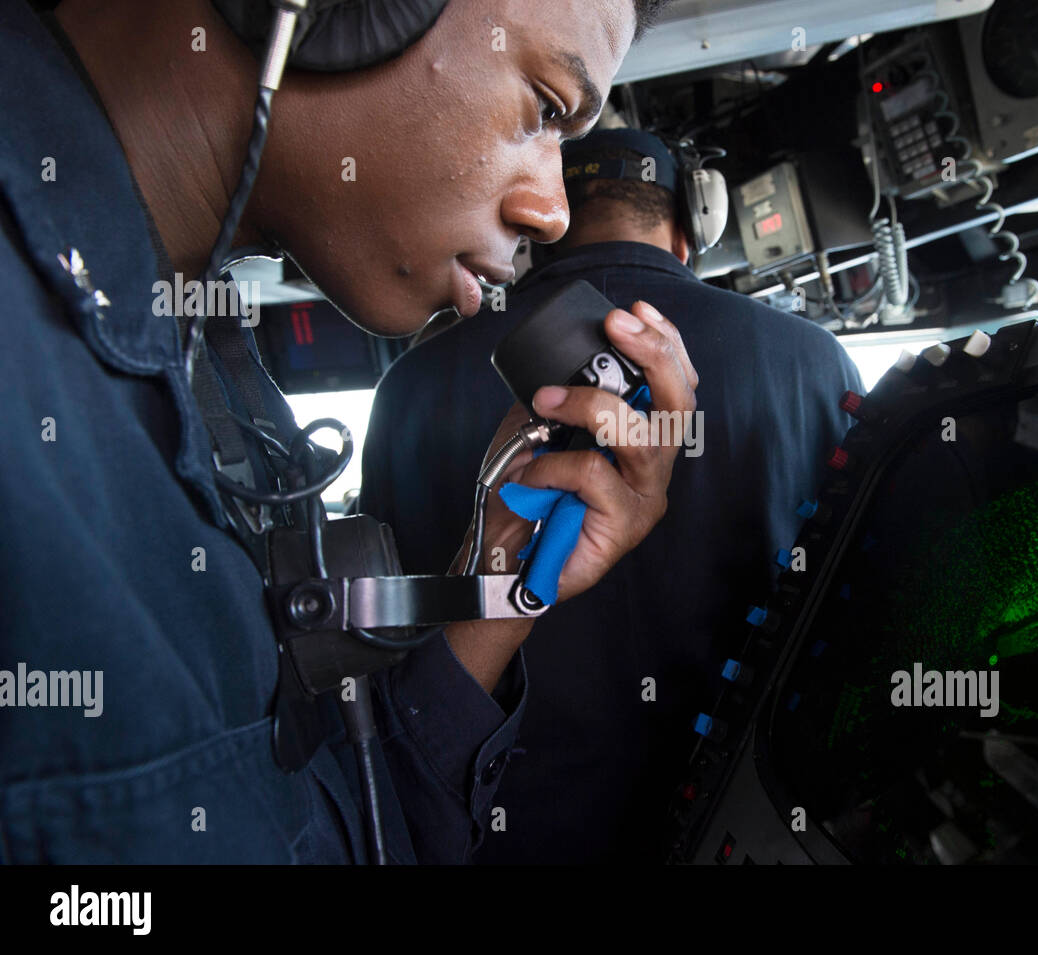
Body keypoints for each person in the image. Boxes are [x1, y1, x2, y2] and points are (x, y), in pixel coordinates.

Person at [0, 0, 696, 864]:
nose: (554, 212)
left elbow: (325, 820)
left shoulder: (217, 384)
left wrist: (498, 583)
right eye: (547, 107)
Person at [361, 128, 864, 863]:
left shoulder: (406, 389)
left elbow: (377, 644)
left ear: (542, 222)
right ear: (695, 223)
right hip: (750, 831)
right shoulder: (813, 360)